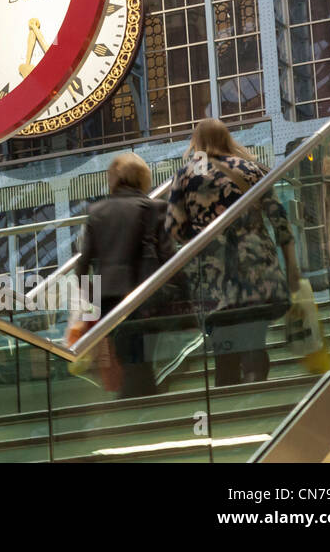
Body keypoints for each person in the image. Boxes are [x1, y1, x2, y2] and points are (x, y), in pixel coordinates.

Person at [166, 119, 301, 386]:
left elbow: (174, 228)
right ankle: (257, 392)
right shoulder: (250, 168)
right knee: (254, 343)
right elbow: (279, 219)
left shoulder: (187, 174)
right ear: (227, 139)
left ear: (196, 142)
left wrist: (202, 238)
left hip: (213, 277)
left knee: (224, 352)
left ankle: (229, 402)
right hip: (256, 269)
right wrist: (292, 267)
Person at [73, 152, 172, 398]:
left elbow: (83, 264)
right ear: (143, 177)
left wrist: (90, 303)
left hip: (107, 298)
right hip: (144, 294)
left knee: (124, 353)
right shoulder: (155, 208)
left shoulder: (97, 211)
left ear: (113, 179)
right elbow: (168, 256)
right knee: (142, 352)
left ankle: (133, 398)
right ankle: (142, 399)